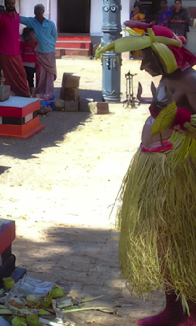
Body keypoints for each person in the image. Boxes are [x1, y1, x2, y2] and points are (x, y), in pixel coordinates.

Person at [95, 21, 196, 326]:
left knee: (185, 244)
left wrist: (182, 120)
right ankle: (174, 310)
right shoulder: (168, 79)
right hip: (156, 170)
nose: (142, 64)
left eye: (145, 57)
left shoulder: (190, 81)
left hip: (180, 171)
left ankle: (191, 313)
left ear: (163, 55)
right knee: (164, 243)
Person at [0, 0, 31, 97]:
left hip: (16, 51)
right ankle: (12, 94)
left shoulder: (17, 16)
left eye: (12, 3)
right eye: (9, 3)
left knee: (21, 74)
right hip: (5, 50)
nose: (11, 5)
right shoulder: (0, 17)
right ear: (5, 4)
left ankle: (24, 93)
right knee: (8, 75)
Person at [20, 3, 58, 99]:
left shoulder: (50, 24)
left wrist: (49, 44)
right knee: (40, 74)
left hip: (49, 52)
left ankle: (49, 93)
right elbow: (19, 18)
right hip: (39, 53)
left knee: (49, 74)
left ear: (43, 12)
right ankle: (40, 92)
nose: (38, 13)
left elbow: (55, 36)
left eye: (40, 11)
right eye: (36, 12)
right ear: (34, 12)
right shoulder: (30, 21)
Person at [20, 28, 38, 95]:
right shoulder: (23, 44)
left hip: (32, 64)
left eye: (33, 34)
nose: (33, 36)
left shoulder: (35, 43)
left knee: (31, 79)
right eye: (31, 34)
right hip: (24, 64)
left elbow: (36, 51)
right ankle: (26, 92)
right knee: (25, 78)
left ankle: (32, 93)